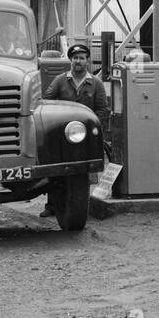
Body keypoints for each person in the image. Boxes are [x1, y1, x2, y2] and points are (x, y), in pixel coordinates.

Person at [41, 42, 110, 216]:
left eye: (82, 58)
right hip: (62, 136)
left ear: (87, 61)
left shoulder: (96, 83)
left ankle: (80, 207)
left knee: (82, 170)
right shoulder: (60, 80)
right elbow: (46, 101)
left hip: (85, 136)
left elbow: (103, 109)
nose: (78, 61)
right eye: (75, 58)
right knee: (56, 169)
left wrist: (95, 129)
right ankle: (51, 206)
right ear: (70, 60)